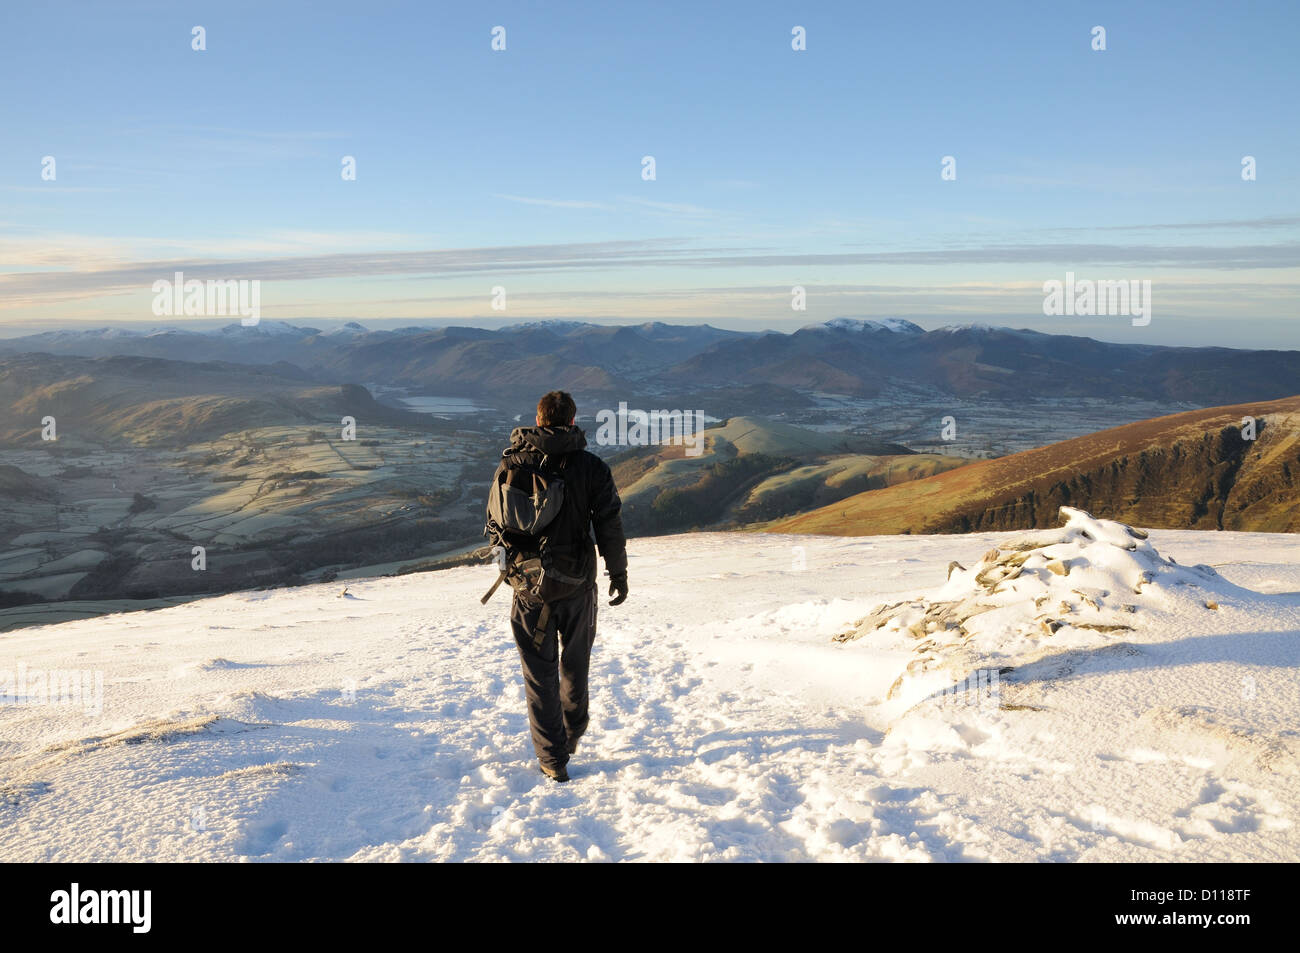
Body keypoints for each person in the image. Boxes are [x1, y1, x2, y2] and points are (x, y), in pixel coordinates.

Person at [484, 390, 628, 782]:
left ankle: (552, 759)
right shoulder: (592, 468)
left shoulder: (511, 463)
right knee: (575, 665)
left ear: (539, 418)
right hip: (578, 586)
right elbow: (609, 525)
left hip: (529, 589)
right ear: (573, 419)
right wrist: (618, 573)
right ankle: (573, 731)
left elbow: (495, 524)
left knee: (538, 675)